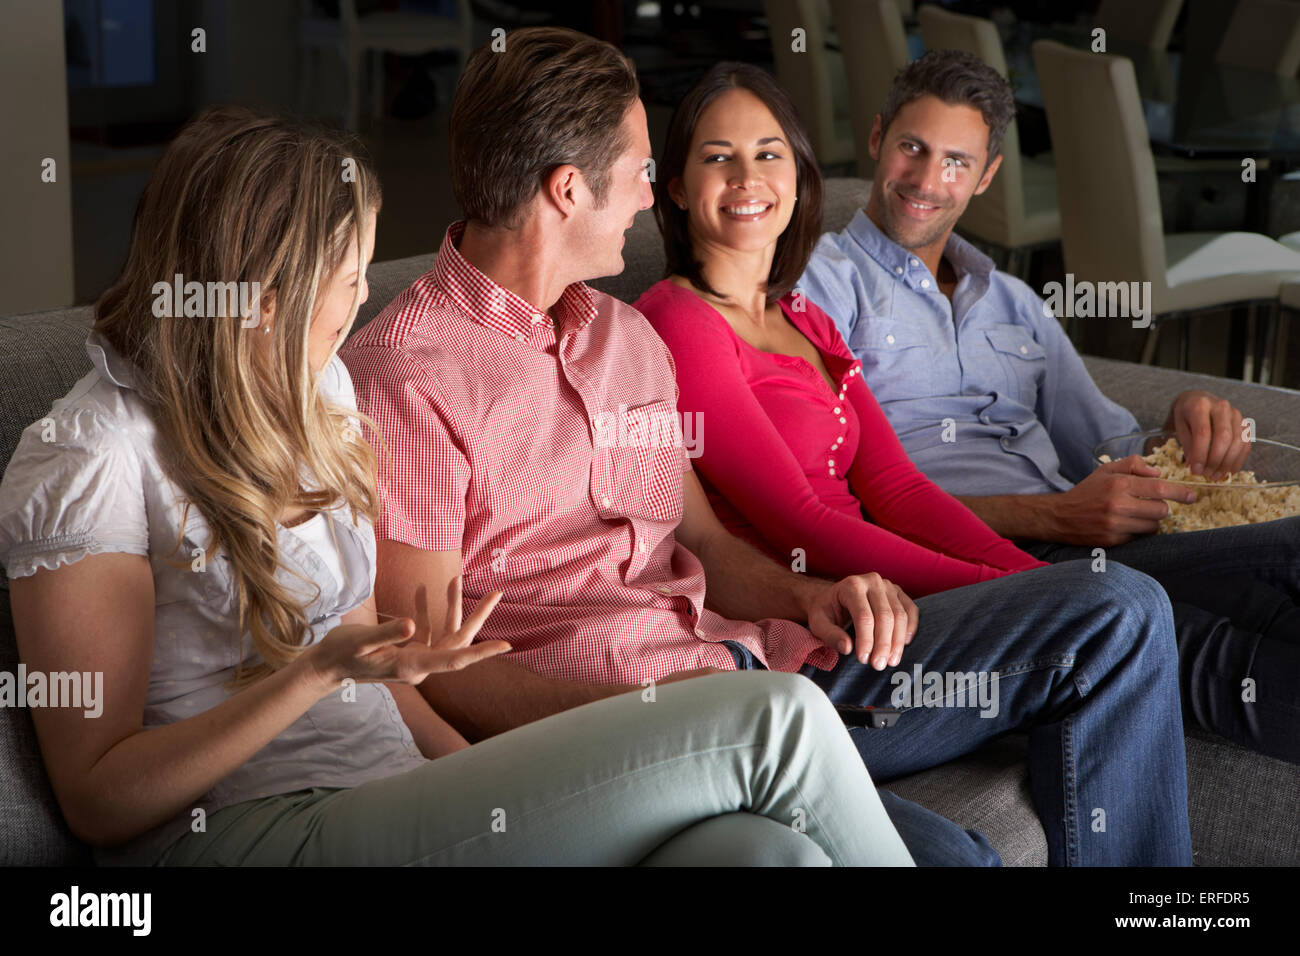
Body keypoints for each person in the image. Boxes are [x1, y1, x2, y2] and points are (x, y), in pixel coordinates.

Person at [342, 30, 1193, 865]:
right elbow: (433, 671)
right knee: (960, 859)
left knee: (1116, 610)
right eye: (642, 172)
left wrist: (811, 598)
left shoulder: (625, 337)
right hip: (648, 730)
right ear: (568, 190)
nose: (649, 199)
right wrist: (653, 712)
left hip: (759, 668)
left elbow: (703, 542)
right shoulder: (406, 378)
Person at [0, 106, 917, 868]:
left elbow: (383, 686)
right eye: (349, 274)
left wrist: (486, 785)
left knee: (761, 855)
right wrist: (311, 676)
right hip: (258, 832)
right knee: (777, 726)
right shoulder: (88, 460)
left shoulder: (309, 389)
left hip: (393, 798)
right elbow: (97, 800)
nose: (364, 299)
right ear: (266, 295)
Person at [798, 50, 1300, 765]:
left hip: (1084, 548)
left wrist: (1184, 417)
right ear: (877, 138)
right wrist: (1052, 516)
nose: (926, 181)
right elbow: (823, 501)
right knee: (1285, 556)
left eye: (956, 162)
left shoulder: (1013, 301)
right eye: (912, 148)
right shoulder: (824, 285)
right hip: (975, 565)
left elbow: (1109, 445)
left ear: (987, 176)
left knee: (1265, 625)